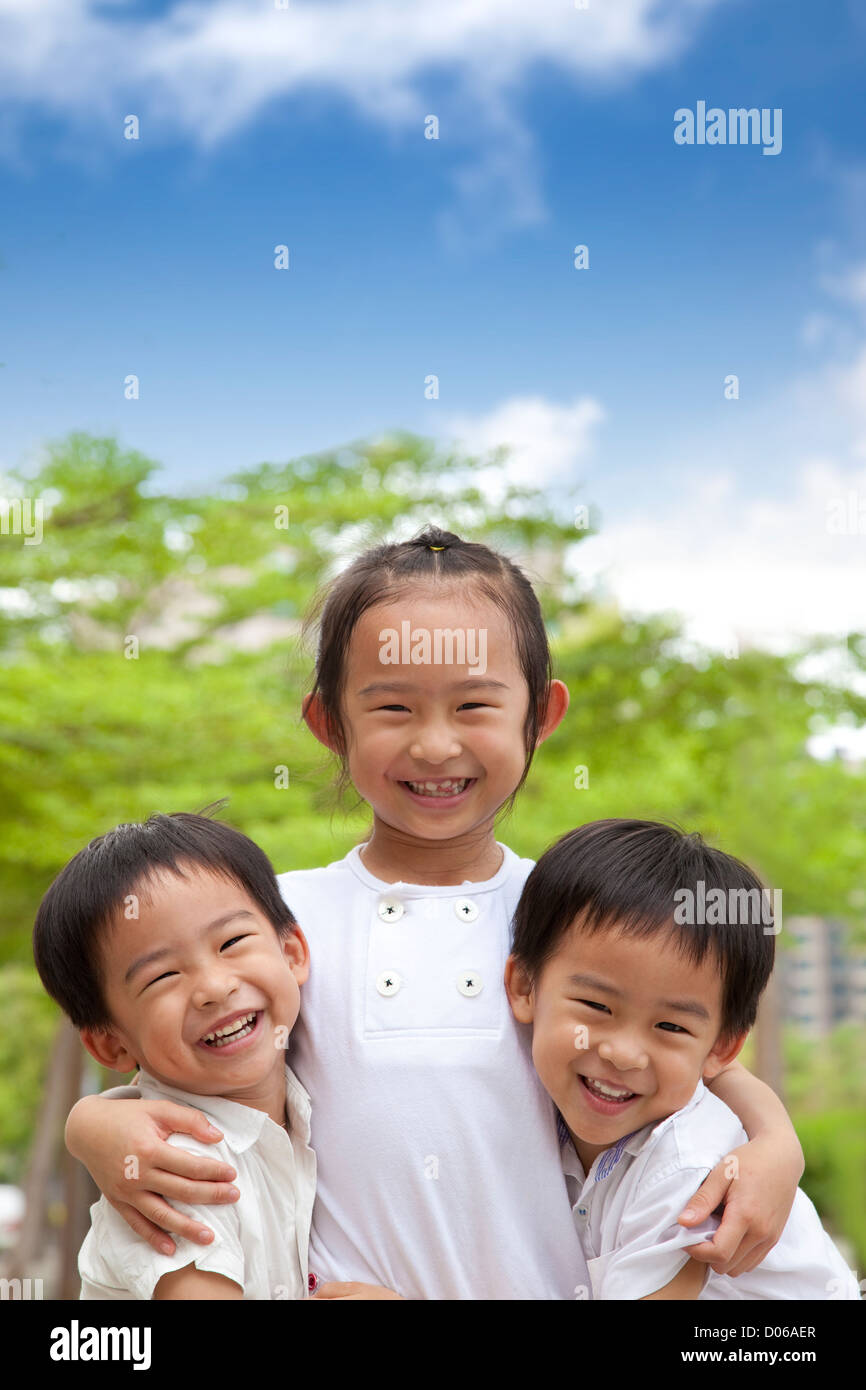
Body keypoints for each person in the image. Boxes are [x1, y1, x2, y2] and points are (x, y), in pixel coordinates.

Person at [65, 528, 806, 1299]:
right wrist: (93, 1124)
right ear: (329, 723)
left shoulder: (577, 917)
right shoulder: (276, 918)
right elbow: (194, 1068)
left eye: (476, 704)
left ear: (541, 715)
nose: (434, 744)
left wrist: (776, 1143)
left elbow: (688, 1058)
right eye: (392, 707)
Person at [505, 818, 860, 1300]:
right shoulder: (538, 1109)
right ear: (525, 987)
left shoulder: (688, 1166)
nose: (624, 1053)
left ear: (720, 1048)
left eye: (670, 1027)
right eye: (596, 1007)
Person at [33, 811, 316, 1299]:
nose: (213, 987)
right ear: (111, 1044)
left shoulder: (307, 1098)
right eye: (162, 976)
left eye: (232, 942)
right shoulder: (173, 1167)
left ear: (292, 953)